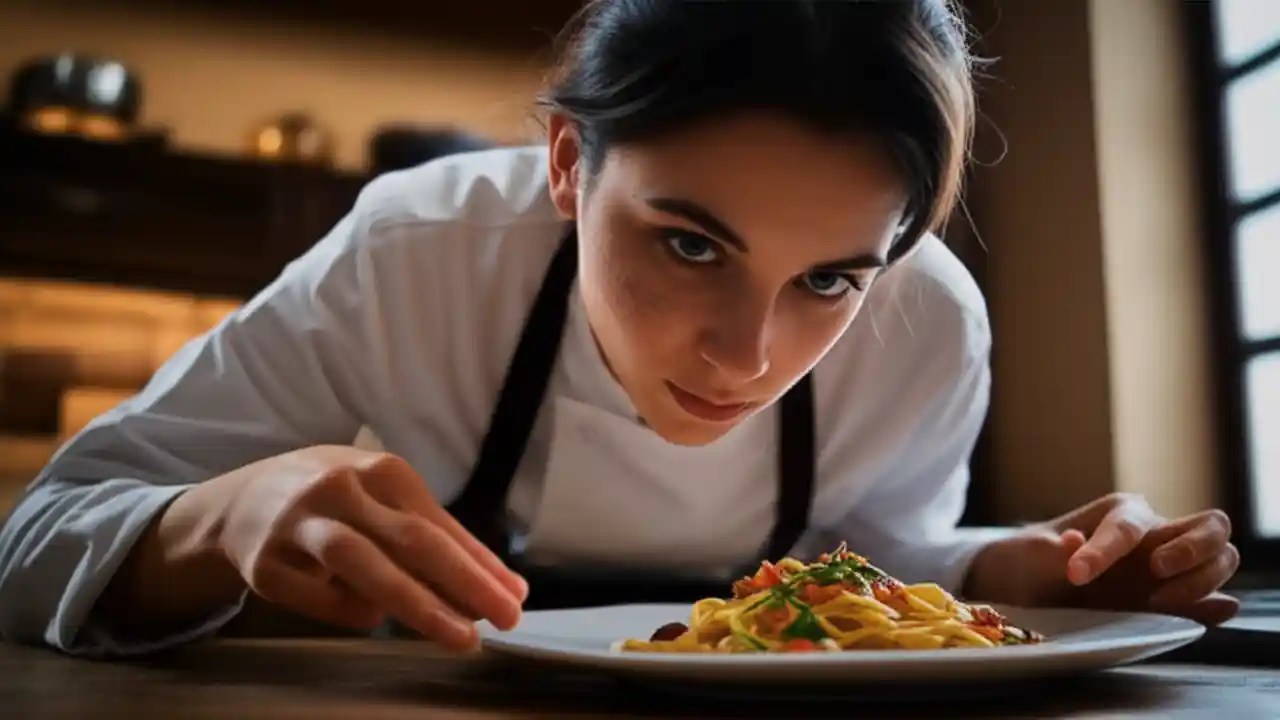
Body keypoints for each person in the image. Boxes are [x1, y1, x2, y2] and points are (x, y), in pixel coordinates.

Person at [0, 0, 1238, 657]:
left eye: (829, 280)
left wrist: (1039, 576)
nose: (744, 357)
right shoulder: (415, 251)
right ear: (562, 161)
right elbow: (35, 543)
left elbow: (884, 561)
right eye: (688, 244)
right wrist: (213, 516)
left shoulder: (926, 321)